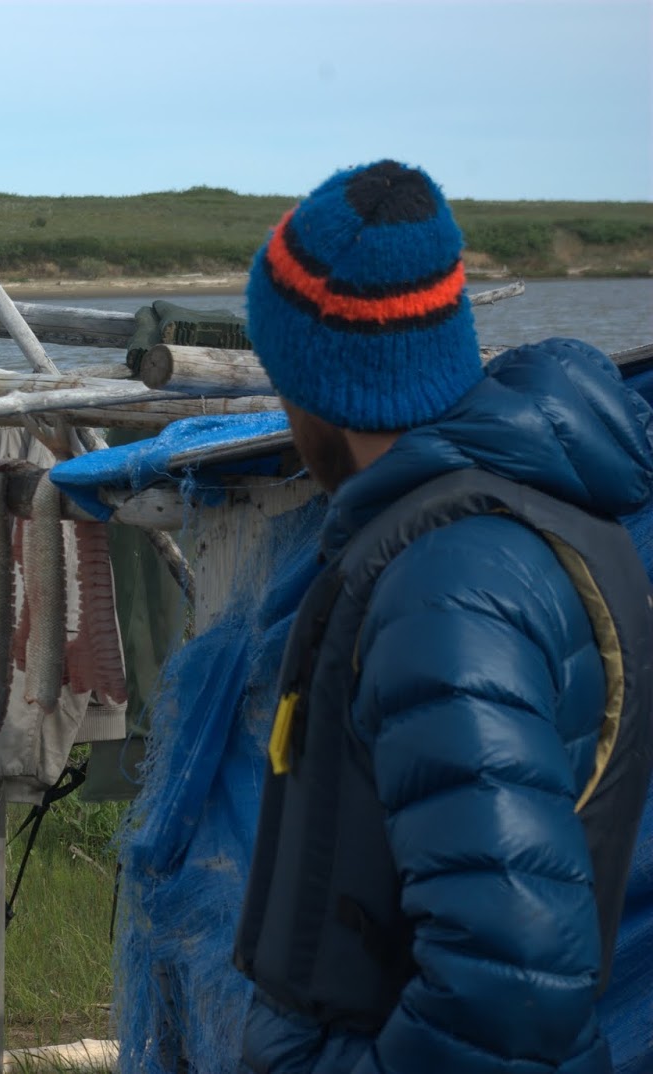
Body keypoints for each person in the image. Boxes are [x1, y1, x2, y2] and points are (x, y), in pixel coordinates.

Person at [231, 159, 653, 1073]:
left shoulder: (448, 588)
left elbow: (512, 986)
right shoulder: (509, 518)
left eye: (279, 372)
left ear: (319, 385)